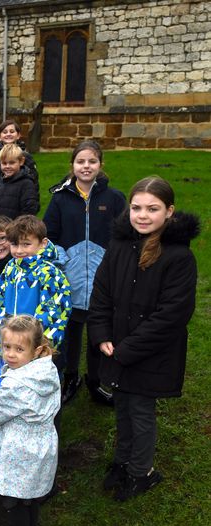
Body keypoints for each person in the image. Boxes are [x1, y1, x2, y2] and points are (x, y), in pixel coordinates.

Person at [88, 177, 198, 502]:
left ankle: (141, 472)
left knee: (140, 411)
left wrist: (127, 350)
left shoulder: (179, 257)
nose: (143, 215)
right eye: (137, 208)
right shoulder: (119, 245)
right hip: (117, 345)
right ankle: (122, 461)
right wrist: (101, 334)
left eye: (153, 209)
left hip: (151, 352)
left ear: (169, 211)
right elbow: (102, 293)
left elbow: (172, 315)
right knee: (122, 405)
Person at [44, 140, 127, 405]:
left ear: (100, 164)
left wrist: (112, 261)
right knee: (70, 330)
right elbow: (48, 235)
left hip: (104, 279)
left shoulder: (114, 198)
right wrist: (64, 259)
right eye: (81, 161)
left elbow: (124, 235)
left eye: (92, 161)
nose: (86, 166)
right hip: (71, 277)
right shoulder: (60, 198)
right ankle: (70, 376)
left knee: (98, 331)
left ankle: (95, 380)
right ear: (73, 165)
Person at [0, 315, 60, 526]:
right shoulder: (47, 371)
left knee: (16, 502)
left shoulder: (17, 385)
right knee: (31, 498)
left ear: (36, 351)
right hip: (43, 444)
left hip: (20, 451)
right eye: (6, 347)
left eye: (19, 349)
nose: (10, 354)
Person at [0, 215, 72, 352]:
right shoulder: (10, 269)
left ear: (43, 243)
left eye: (26, 244)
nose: (19, 250)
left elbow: (53, 313)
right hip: (10, 346)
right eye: (14, 244)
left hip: (37, 349)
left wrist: (40, 346)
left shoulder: (49, 273)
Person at [0, 143, 40, 219]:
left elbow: (29, 211)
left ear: (21, 161)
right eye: (4, 163)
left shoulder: (27, 184)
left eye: (12, 163)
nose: (7, 166)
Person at [0, 119, 38, 184]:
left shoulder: (25, 156)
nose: (8, 134)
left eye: (12, 131)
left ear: (18, 135)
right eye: (5, 132)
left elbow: (34, 178)